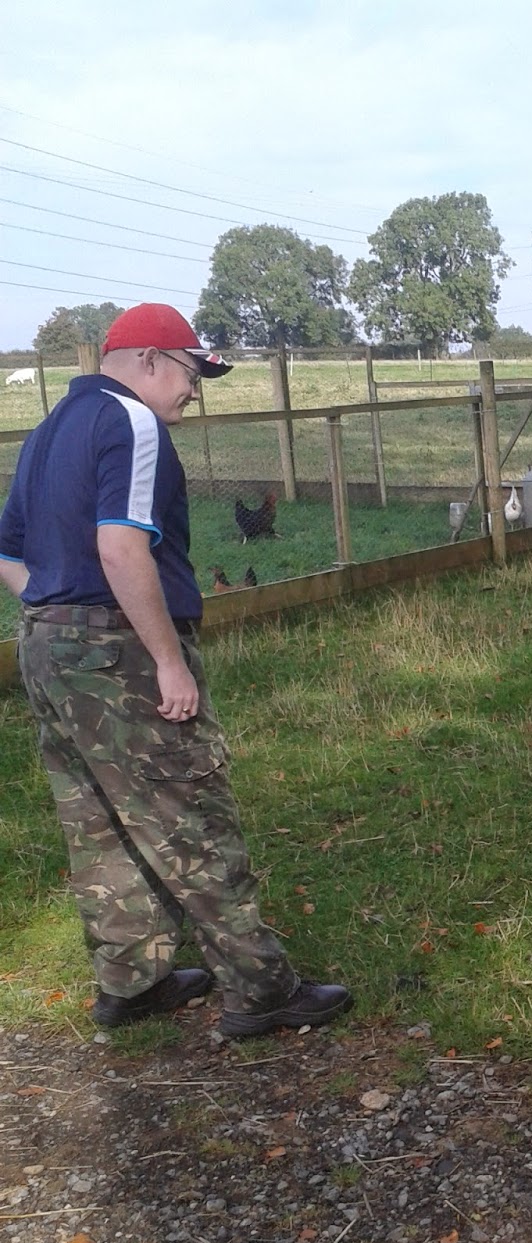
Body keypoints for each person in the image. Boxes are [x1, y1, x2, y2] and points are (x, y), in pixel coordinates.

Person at [0, 303, 351, 1038]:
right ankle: (260, 989)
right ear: (152, 361)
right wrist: (165, 661)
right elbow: (122, 549)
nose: (195, 391)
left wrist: (52, 608)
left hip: (46, 647)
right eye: (194, 374)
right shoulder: (132, 423)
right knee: (191, 816)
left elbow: (9, 550)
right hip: (117, 650)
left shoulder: (46, 431)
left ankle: (132, 981)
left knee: (97, 821)